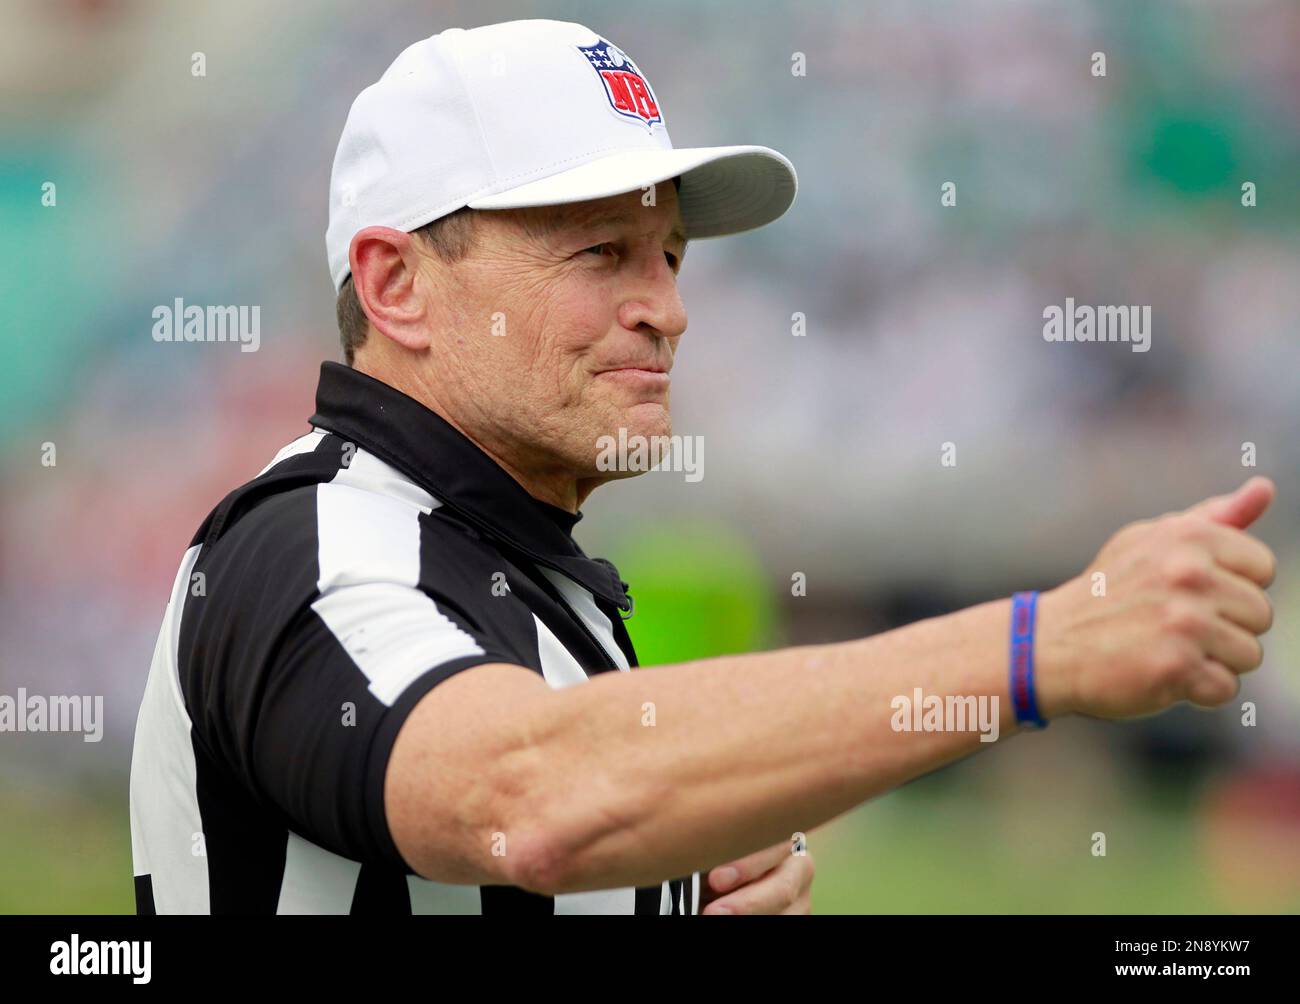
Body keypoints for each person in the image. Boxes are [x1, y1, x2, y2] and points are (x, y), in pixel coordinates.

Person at [129, 19, 1276, 915]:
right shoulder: (310, 539)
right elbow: (525, 797)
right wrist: (1037, 647)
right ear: (395, 285)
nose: (670, 311)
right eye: (602, 253)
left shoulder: (525, 576)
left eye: (670, 257)